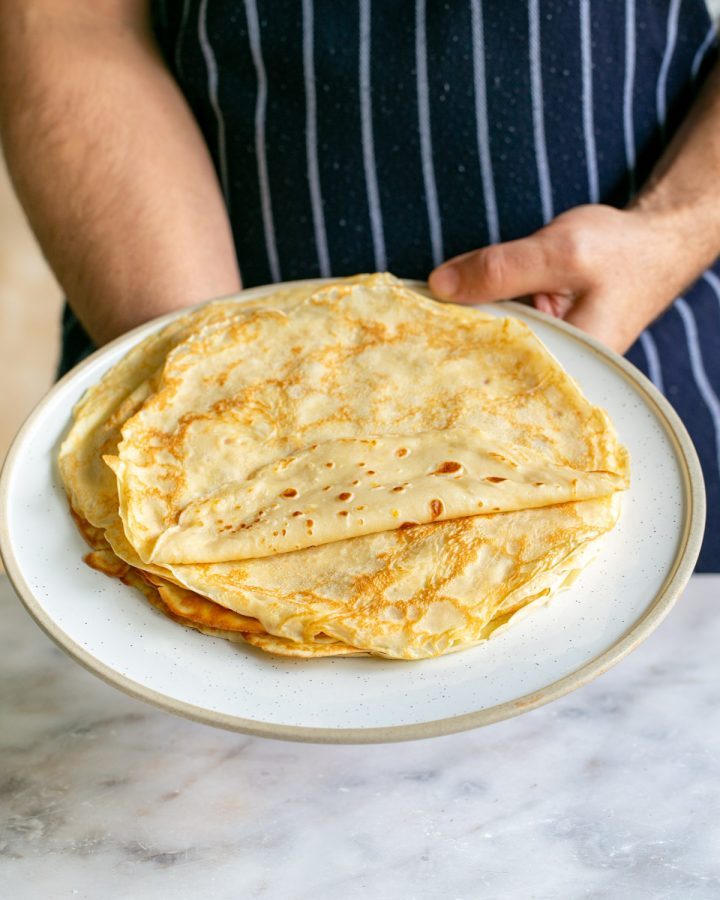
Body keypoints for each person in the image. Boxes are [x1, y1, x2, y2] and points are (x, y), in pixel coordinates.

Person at [0, 0, 718, 568]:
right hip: (170, 316)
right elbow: (66, 19)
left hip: (634, 334)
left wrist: (678, 224)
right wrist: (205, 397)